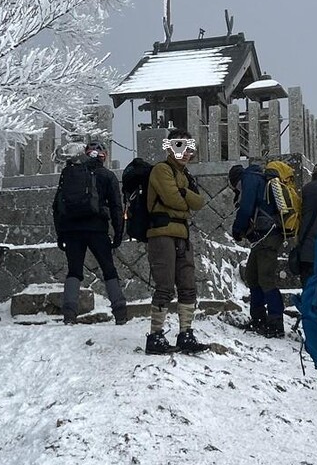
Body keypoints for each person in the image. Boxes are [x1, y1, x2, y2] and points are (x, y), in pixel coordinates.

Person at [53, 140, 129, 325]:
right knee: (108, 269)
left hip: (72, 229)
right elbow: (116, 207)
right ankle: (120, 312)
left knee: (74, 271)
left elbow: (57, 205)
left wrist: (60, 233)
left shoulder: (69, 173)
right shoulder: (107, 175)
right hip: (97, 229)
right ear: (104, 156)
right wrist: (118, 233)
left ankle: (69, 314)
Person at [145, 134, 207, 354]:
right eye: (181, 147)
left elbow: (199, 202)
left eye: (190, 148)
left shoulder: (185, 175)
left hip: (182, 233)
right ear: (170, 148)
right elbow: (173, 199)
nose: (187, 153)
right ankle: (155, 335)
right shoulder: (161, 170)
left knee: (188, 284)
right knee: (165, 285)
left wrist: (183, 194)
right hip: (162, 232)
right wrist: (184, 200)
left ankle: (186, 333)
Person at [230, 159, 287, 337]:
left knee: (266, 279)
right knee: (252, 277)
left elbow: (246, 207)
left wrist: (237, 229)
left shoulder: (250, 178)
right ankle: (258, 319)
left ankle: (276, 323)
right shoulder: (256, 178)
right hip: (262, 237)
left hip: (268, 235)